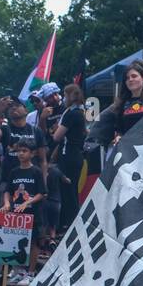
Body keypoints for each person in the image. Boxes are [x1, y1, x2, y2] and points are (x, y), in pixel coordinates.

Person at [0, 139, 46, 282]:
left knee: (33, 242)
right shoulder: (14, 172)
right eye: (19, 150)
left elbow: (42, 193)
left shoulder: (36, 171)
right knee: (15, 241)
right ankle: (18, 271)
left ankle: (31, 273)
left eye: (24, 151)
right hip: (16, 214)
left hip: (32, 214)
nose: (21, 153)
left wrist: (27, 202)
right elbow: (7, 190)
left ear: (32, 154)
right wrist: (7, 203)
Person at [54, 83, 90, 233]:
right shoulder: (80, 112)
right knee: (71, 190)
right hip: (76, 154)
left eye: (64, 94)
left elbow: (57, 137)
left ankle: (71, 223)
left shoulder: (71, 114)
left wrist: (54, 130)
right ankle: (69, 223)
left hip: (68, 155)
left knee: (68, 191)